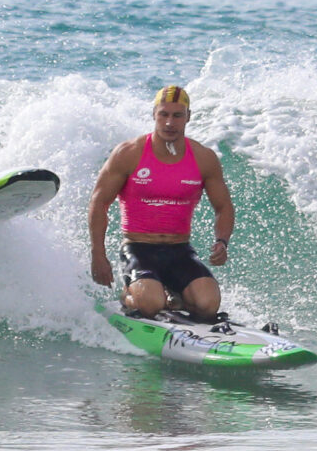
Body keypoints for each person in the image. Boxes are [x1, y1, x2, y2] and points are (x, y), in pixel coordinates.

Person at [87, 86, 236, 318]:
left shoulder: (203, 158)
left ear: (188, 116)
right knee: (150, 304)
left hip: (180, 249)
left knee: (208, 304)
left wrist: (222, 241)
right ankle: (130, 294)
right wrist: (98, 254)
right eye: (163, 114)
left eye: (177, 115)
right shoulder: (129, 153)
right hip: (138, 248)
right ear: (154, 114)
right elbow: (99, 203)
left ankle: (173, 294)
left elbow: (223, 206)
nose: (170, 122)